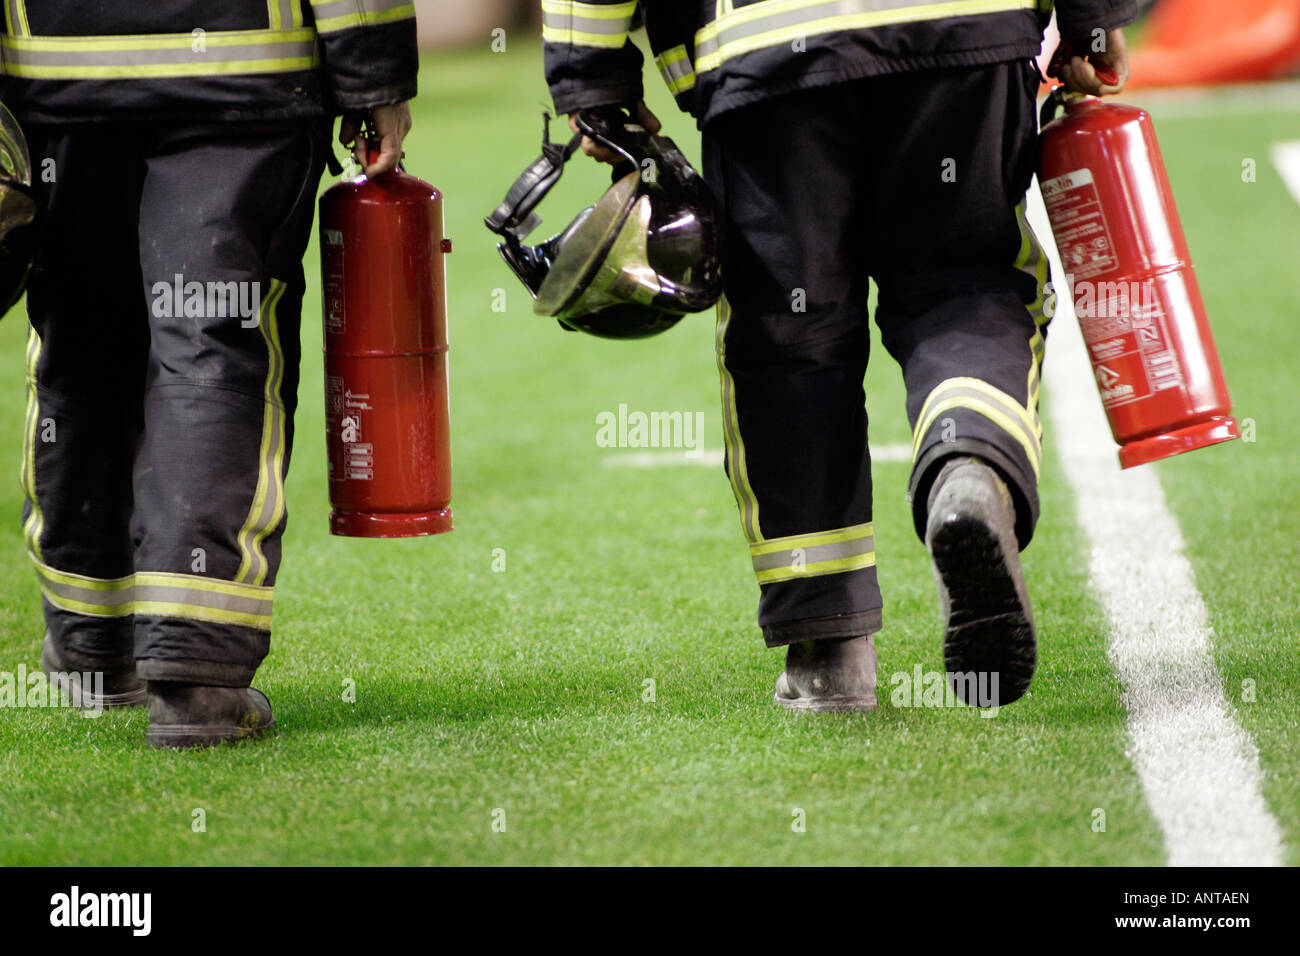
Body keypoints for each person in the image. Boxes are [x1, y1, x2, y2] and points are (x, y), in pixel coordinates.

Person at [542, 0, 1137, 710]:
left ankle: (829, 649)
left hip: (763, 48)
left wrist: (592, 75)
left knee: (790, 340)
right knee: (965, 281)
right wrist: (1093, 15)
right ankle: (968, 466)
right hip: (961, 29)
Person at [2, 1, 417, 747]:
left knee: (82, 336)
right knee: (214, 348)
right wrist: (373, 73)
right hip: (243, 72)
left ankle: (92, 641)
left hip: (57, 74)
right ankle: (196, 680)